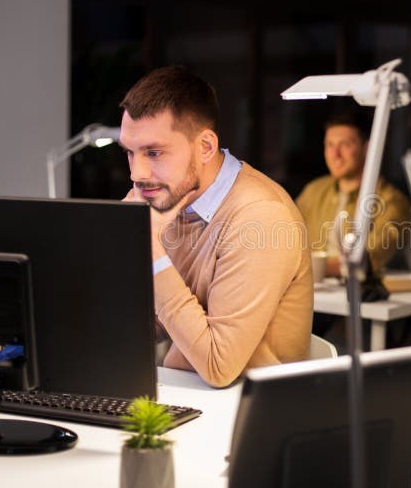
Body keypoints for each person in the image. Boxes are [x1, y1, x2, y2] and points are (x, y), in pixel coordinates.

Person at [119, 65, 313, 388]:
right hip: (188, 396)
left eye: (153, 152)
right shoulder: (169, 198)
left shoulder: (260, 217)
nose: (136, 174)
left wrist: (148, 248)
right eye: (130, 153)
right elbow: (143, 325)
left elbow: (219, 366)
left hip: (250, 411)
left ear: (206, 147)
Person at [295, 111, 411, 340]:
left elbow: (367, 258)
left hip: (355, 304)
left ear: (368, 148)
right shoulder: (314, 191)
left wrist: (305, 267)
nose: (335, 154)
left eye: (345, 144)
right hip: (312, 295)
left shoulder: (389, 200)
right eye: (329, 144)